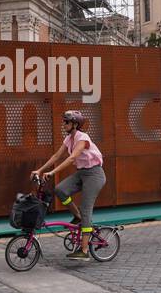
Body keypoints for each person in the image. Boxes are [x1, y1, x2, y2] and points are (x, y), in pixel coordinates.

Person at [31, 111, 106, 260]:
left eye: (66, 122)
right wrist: (40, 170)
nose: (64, 124)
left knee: (86, 209)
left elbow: (72, 158)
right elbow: (56, 156)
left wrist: (52, 172)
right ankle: (77, 216)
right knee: (60, 190)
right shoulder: (69, 139)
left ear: (75, 124)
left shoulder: (82, 138)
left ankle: (84, 250)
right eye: (64, 122)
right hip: (82, 173)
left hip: (94, 175)